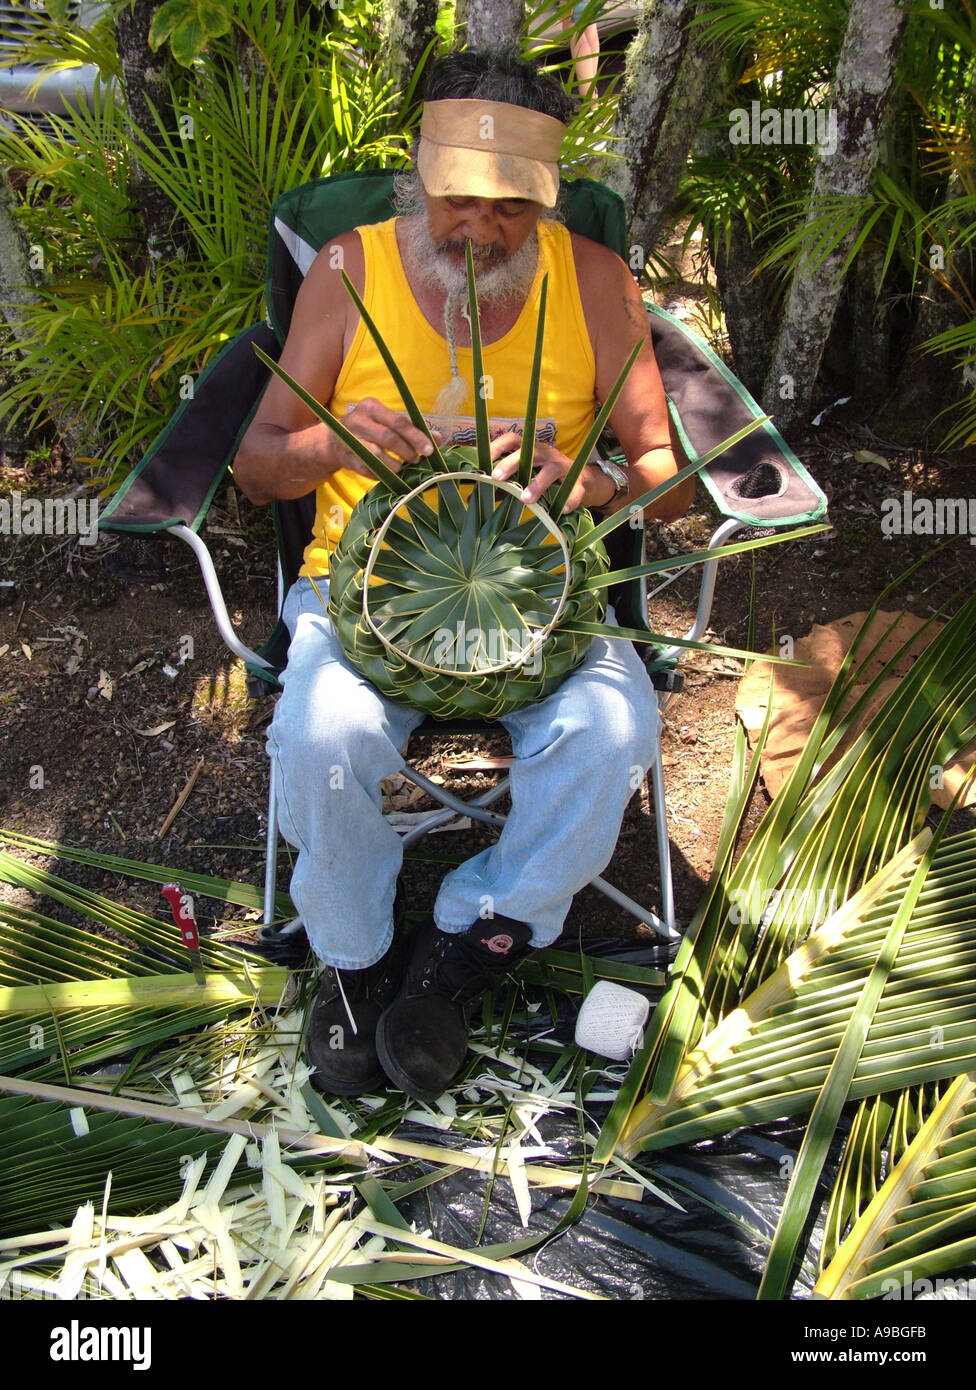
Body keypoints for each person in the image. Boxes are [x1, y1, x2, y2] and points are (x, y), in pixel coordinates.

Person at [233, 48, 693, 1103]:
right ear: (417, 174)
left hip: (545, 609)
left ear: (545, 200)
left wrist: (595, 474)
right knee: (323, 731)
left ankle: (477, 936)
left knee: (615, 729)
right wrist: (337, 444)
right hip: (370, 598)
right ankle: (352, 957)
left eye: (511, 211)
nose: (479, 231)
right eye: (456, 201)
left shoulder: (592, 280)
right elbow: (259, 465)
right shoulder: (349, 271)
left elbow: (666, 476)